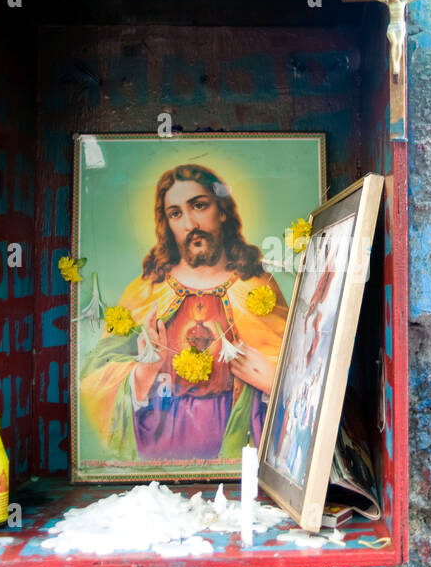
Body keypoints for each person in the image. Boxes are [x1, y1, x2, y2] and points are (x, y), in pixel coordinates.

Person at [79, 164, 289, 462]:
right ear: (167, 223)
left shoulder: (257, 287)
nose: (190, 223)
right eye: (176, 213)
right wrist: (142, 372)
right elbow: (92, 380)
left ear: (223, 210)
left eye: (199, 206)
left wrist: (272, 382)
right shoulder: (147, 292)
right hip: (160, 444)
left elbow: (304, 374)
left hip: (240, 451)